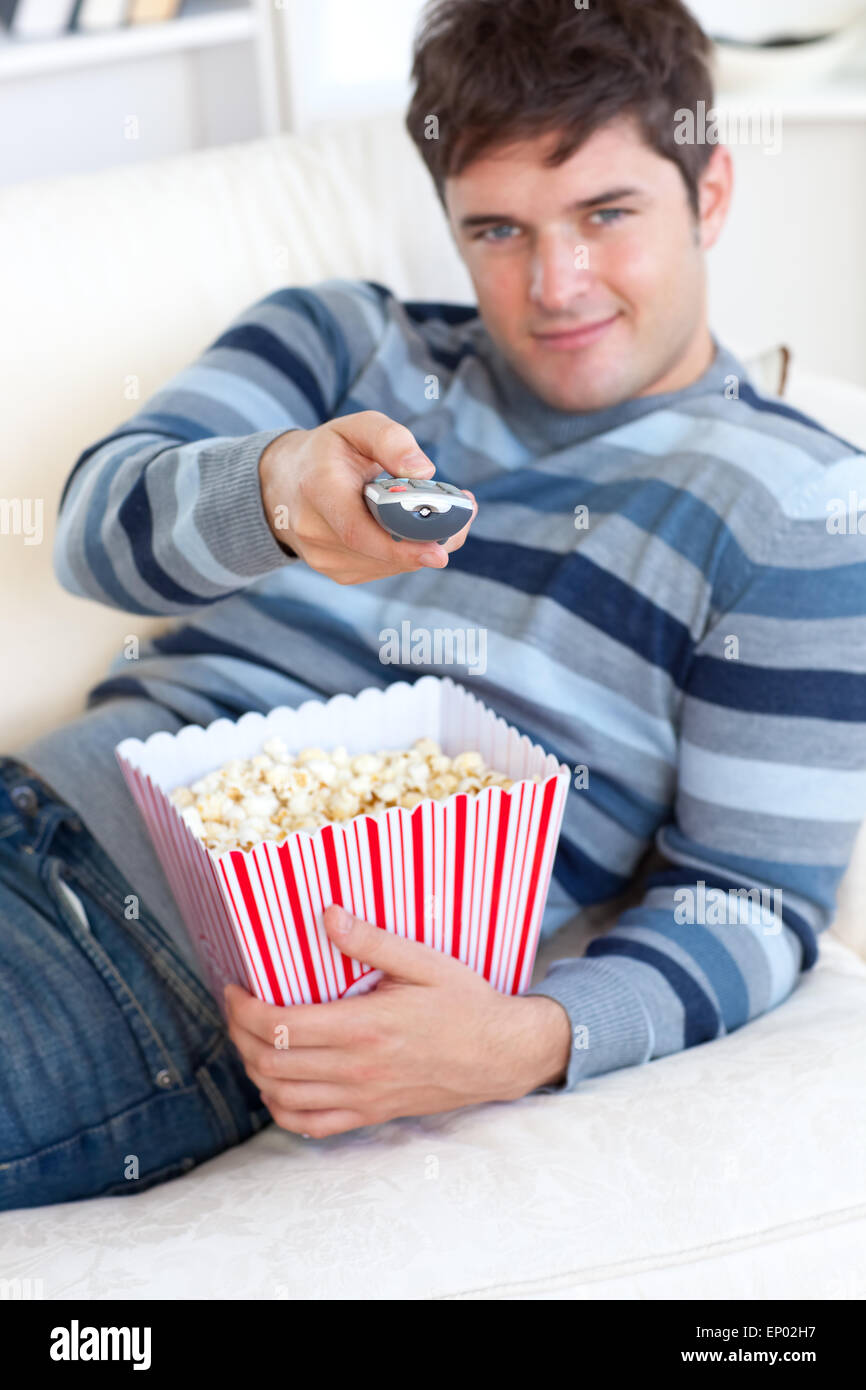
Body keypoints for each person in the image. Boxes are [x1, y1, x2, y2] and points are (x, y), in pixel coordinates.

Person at [2, 0, 864, 1210]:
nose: (554, 283)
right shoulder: (340, 338)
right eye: (497, 229)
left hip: (166, 967)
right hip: (35, 791)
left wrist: (530, 1037)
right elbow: (93, 534)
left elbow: (752, 897)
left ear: (709, 192)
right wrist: (281, 492)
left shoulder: (802, 506)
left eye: (604, 216)